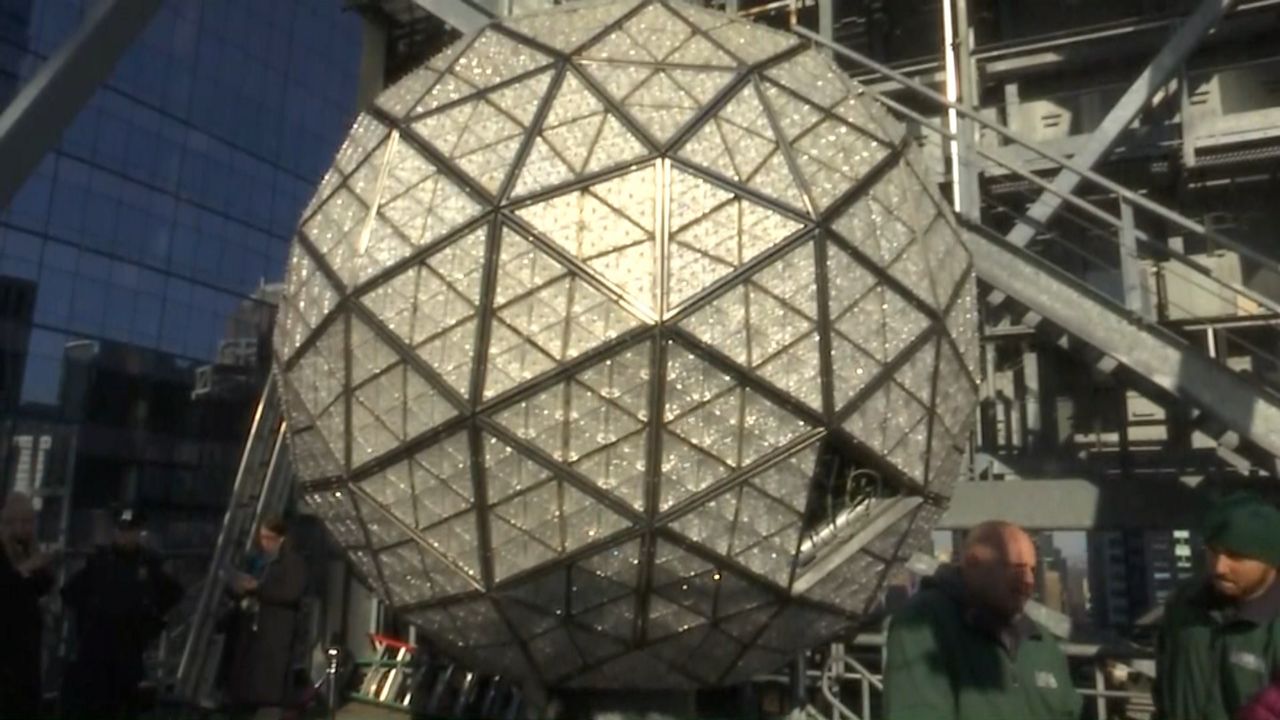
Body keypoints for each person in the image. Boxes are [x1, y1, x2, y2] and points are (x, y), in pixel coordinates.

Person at [883, 520, 1082, 720]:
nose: (1028, 581)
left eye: (1032, 569)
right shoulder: (924, 623)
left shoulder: (1041, 642)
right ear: (973, 563)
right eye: (1016, 568)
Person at [1153, 493, 1280, 720]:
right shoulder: (1184, 604)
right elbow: (1164, 689)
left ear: (1270, 560)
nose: (1220, 567)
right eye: (1213, 551)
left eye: (1236, 555)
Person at [61, 506, 182, 719]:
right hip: (98, 645)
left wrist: (152, 617)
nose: (126, 536)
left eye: (131, 530)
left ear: (139, 532)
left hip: (130, 644)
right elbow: (71, 593)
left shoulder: (148, 563)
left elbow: (172, 592)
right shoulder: (100, 561)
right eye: (122, 530)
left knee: (126, 702)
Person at [223, 516, 308, 719]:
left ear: (282, 538)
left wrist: (258, 589)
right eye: (261, 538)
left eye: (269, 538)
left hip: (276, 635)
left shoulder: (293, 563)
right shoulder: (265, 562)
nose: (264, 543)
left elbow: (291, 593)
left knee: (270, 691)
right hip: (256, 634)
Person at [0, 492, 58, 719]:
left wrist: (39, 563)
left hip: (27, 643)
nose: (24, 528)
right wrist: (27, 568)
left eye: (28, 522)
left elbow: (43, 584)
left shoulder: (26, 548)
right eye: (19, 522)